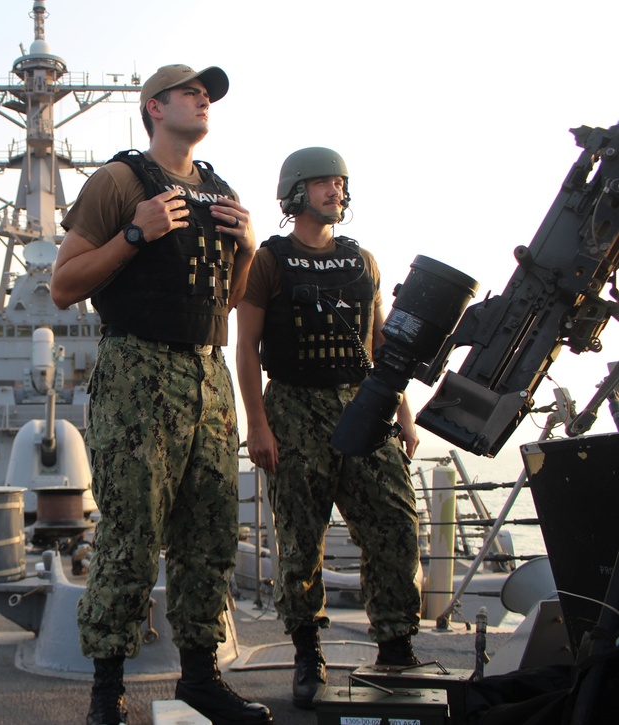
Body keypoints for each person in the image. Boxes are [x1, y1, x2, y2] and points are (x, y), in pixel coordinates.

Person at [51, 64, 271, 725]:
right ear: (155, 106)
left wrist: (248, 247)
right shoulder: (119, 182)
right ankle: (107, 693)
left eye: (208, 95)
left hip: (207, 374)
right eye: (190, 92)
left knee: (210, 533)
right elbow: (64, 285)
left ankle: (200, 678)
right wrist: (134, 233)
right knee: (131, 533)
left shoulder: (222, 193)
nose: (204, 100)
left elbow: (227, 301)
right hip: (137, 371)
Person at [236, 147, 423, 710]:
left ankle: (395, 646)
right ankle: (306, 650)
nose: (335, 192)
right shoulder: (269, 261)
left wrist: (403, 412)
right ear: (296, 193)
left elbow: (381, 342)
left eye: (340, 183)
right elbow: (246, 347)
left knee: (395, 520)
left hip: (362, 403)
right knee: (300, 538)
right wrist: (258, 424)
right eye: (323, 183)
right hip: (294, 405)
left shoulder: (362, 260)